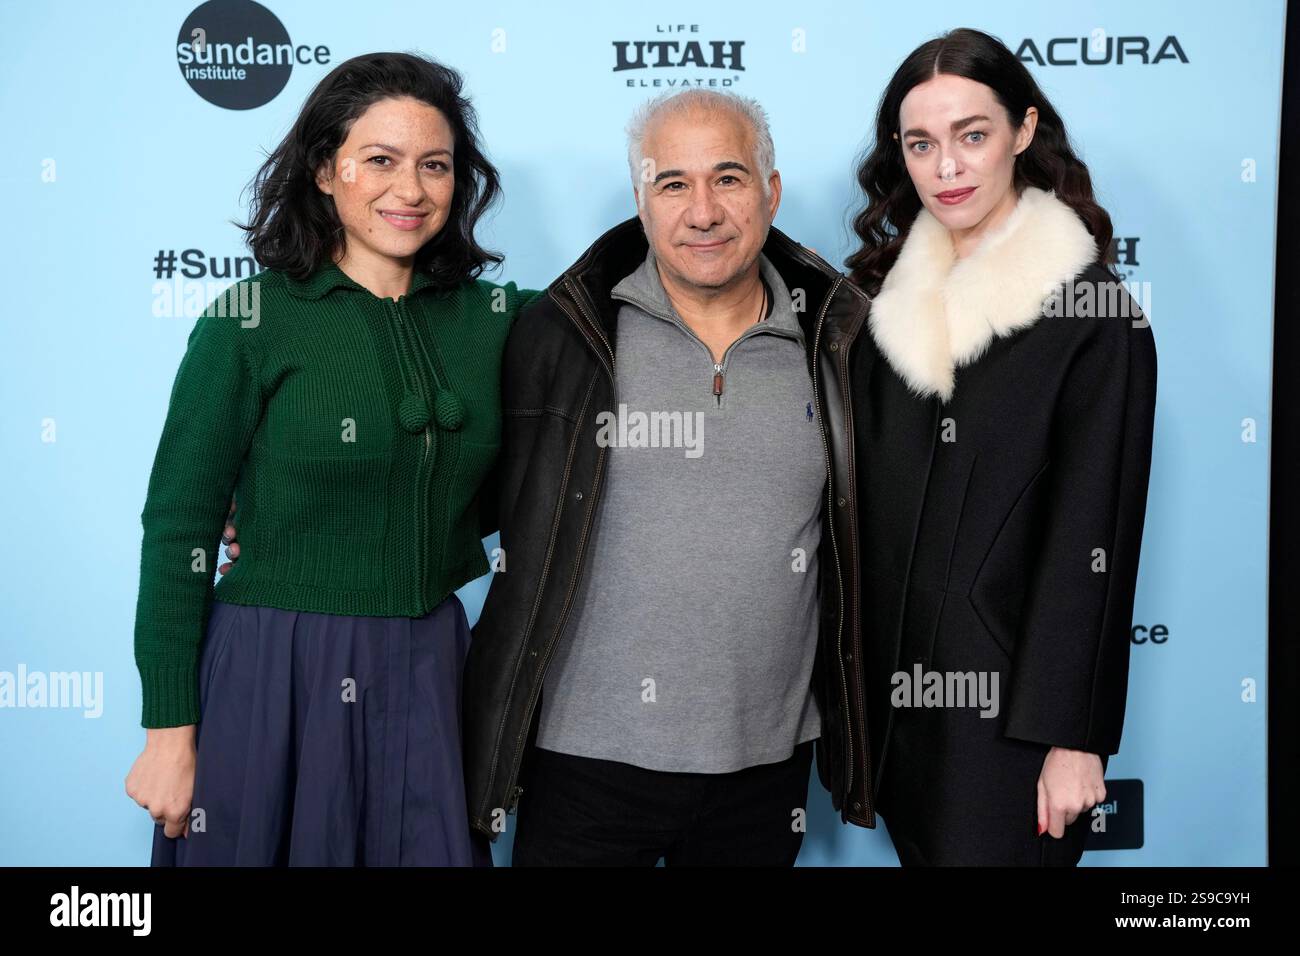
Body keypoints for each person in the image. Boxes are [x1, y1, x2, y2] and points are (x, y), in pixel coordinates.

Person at [123, 51, 539, 866]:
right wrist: (169, 733)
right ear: (324, 170)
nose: (410, 190)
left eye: (435, 165)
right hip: (276, 670)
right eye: (379, 161)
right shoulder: (250, 320)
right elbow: (179, 528)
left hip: (432, 669)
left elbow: (507, 476)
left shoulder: (498, 317)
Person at [461, 89, 876, 865]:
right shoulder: (561, 335)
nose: (704, 211)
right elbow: (454, 482)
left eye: (729, 178)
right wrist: (283, 514)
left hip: (765, 767)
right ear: (642, 203)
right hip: (580, 763)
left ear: (771, 191)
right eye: (673, 183)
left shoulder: (842, 343)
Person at [844, 27, 1157, 866]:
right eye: (921, 144)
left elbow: (1096, 533)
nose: (946, 167)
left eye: (971, 135)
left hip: (1015, 729)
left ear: (1022, 131)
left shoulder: (1093, 316)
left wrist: (1075, 738)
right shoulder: (878, 310)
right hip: (894, 717)